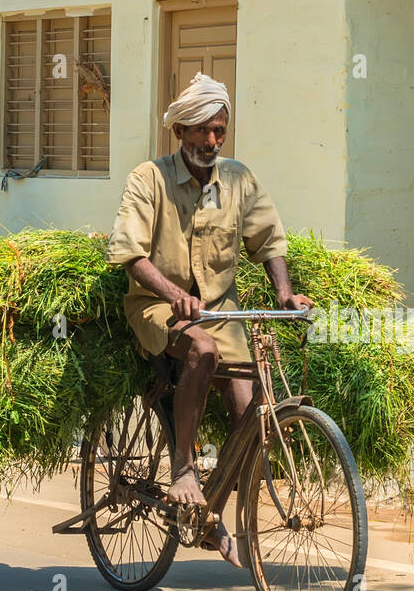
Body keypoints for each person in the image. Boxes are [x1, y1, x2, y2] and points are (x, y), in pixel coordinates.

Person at [106, 72, 313, 563]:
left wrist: (284, 293)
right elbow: (129, 253)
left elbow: (268, 239)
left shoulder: (239, 179)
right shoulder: (149, 179)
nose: (212, 140)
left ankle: (209, 516)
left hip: (222, 311)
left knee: (249, 413)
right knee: (201, 349)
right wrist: (174, 292)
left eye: (219, 130)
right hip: (158, 307)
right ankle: (182, 468)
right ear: (180, 131)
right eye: (201, 130)